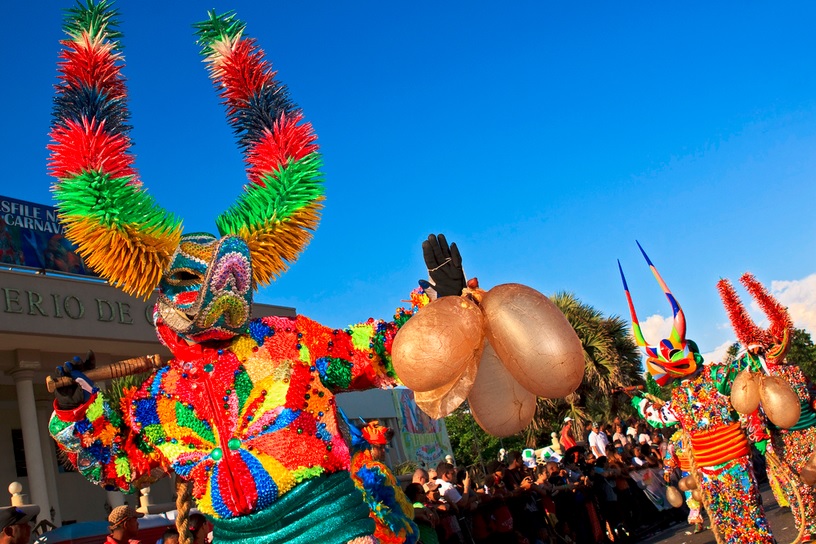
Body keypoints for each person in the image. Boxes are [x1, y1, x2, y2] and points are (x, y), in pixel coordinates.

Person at [46, 3, 469, 544]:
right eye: (191, 278)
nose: (217, 287)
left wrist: (440, 304)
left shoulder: (285, 343)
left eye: (229, 276)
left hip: (336, 529)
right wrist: (74, 410)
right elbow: (121, 467)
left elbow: (377, 351)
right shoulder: (158, 397)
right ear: (165, 295)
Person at [621, 245, 774, 543]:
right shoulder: (679, 396)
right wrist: (638, 401)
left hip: (734, 462)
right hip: (707, 469)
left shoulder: (716, 376)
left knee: (750, 517)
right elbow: (661, 416)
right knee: (727, 525)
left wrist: (753, 353)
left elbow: (744, 374)